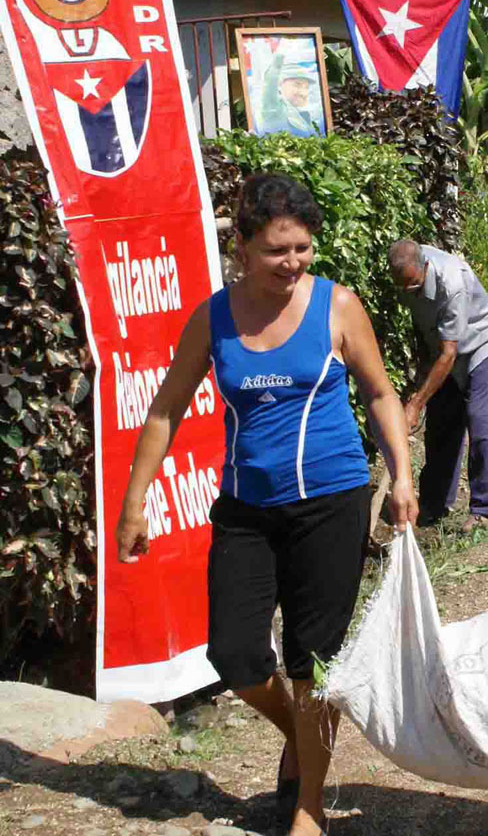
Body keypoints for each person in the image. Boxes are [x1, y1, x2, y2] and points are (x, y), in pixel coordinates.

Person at [116, 174, 417, 836]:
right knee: (236, 654)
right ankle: (302, 738)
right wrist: (135, 501)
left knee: (315, 660)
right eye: (278, 250)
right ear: (244, 246)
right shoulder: (214, 318)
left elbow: (379, 393)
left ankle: (308, 805)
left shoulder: (338, 307)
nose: (293, 263)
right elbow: (166, 409)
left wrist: (401, 472)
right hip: (247, 508)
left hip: (331, 504)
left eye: (303, 248)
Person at [388, 239, 488, 533]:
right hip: (442, 349)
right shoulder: (408, 274)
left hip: (479, 343)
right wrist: (418, 387)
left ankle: (484, 511)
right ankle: (433, 505)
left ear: (425, 268)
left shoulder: (452, 283)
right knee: (441, 427)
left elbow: (449, 352)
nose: (407, 293)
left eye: (413, 287)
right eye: (402, 288)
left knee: (479, 420)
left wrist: (415, 403)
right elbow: (428, 337)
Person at [260, 60, 323, 137]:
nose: (303, 93)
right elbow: (270, 84)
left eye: (306, 87)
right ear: (280, 84)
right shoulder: (275, 110)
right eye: (297, 85)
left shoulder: (305, 116)